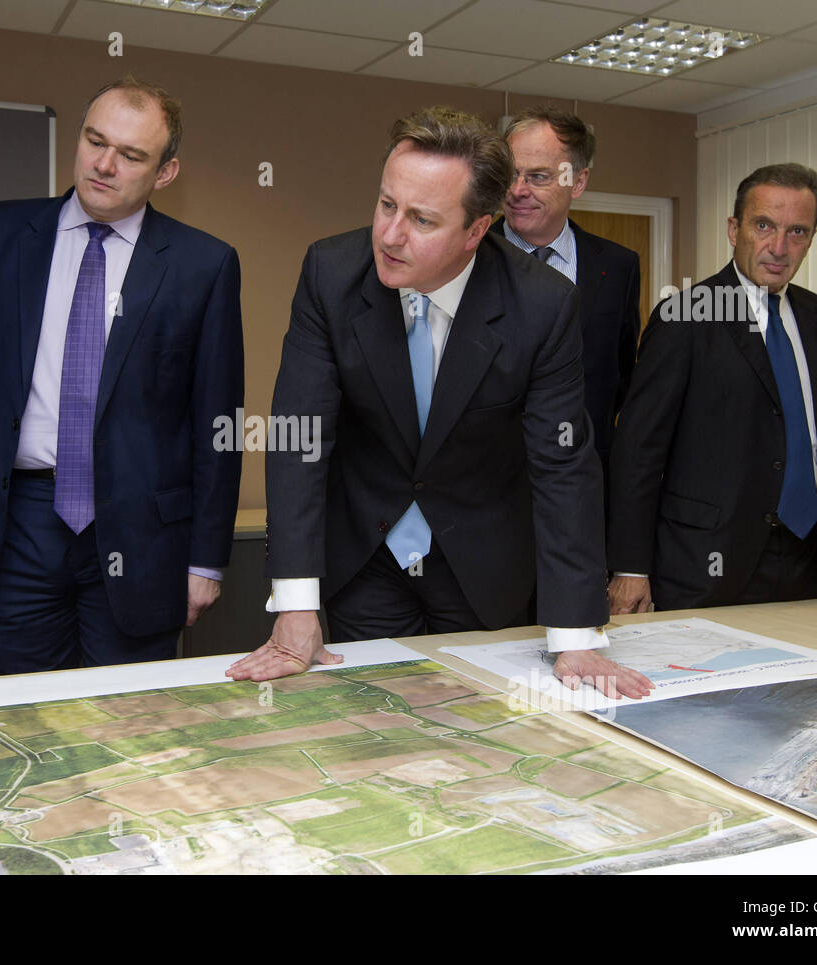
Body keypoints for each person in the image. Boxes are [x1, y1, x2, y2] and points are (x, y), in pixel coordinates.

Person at [227, 106, 652, 700]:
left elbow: (563, 467)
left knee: (478, 733)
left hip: (483, 562)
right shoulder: (332, 274)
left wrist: (576, 633)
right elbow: (301, 440)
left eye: (422, 219)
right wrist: (297, 604)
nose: (390, 235)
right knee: (368, 726)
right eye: (386, 205)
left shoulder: (542, 305)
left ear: (478, 230)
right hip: (367, 555)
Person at [0, 77, 243, 675]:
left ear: (165, 172)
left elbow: (219, 424)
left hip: (142, 538)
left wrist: (206, 560)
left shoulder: (204, 264)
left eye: (131, 155)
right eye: (95, 141)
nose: (104, 165)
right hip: (15, 526)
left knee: (131, 725)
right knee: (14, 718)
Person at [608, 163, 817, 613]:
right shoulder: (685, 316)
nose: (779, 247)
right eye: (764, 225)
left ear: (811, 238)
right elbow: (637, 452)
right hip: (709, 562)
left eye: (797, 232)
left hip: (810, 558)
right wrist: (630, 567)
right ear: (734, 228)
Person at [493, 107, 640, 487]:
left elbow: (620, 375)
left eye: (537, 177)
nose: (516, 190)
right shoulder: (465, 259)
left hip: (583, 481)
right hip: (485, 485)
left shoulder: (618, 267)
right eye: (511, 174)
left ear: (577, 181)